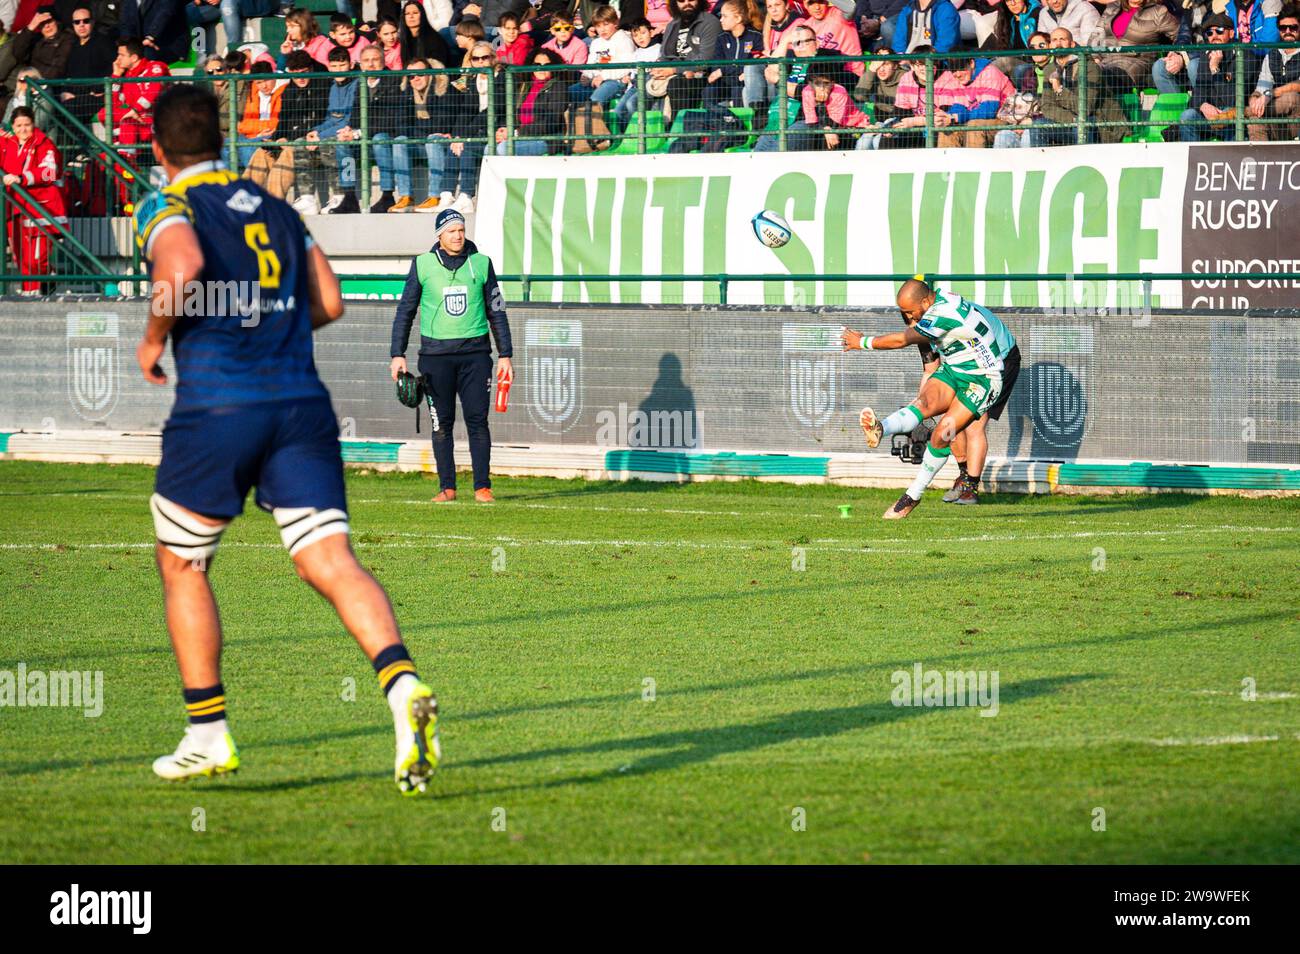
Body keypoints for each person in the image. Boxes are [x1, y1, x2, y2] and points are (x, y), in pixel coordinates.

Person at [132, 84, 440, 794]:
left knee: (183, 563)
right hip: (301, 403)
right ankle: (401, 687)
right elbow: (329, 300)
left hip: (219, 407)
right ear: (225, 142)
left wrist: (152, 341)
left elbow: (179, 269)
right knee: (330, 558)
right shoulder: (274, 208)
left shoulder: (169, 204)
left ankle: (207, 733)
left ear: (158, 149)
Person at [842, 278, 1019, 518]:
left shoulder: (941, 314)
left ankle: (914, 496)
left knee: (944, 433)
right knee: (922, 405)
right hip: (955, 370)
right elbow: (930, 366)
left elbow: (902, 340)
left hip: (984, 379)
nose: (909, 318)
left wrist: (862, 342)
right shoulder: (933, 303)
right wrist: (923, 405)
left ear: (925, 301)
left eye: (910, 311)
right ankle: (881, 428)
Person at [389, 207, 513, 504]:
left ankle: (482, 487)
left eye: (461, 229)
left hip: (476, 356)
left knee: (477, 420)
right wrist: (397, 354)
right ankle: (447, 487)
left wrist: (506, 354)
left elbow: (497, 311)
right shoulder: (422, 264)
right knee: (440, 423)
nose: (458, 236)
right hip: (435, 357)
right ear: (439, 235)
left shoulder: (482, 264)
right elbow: (405, 311)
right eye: (451, 231)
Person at [2, 105, 67, 294]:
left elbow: (50, 172)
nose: (23, 129)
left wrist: (22, 179)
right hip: (13, 208)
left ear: (33, 124)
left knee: (36, 259)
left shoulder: (44, 143)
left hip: (40, 208)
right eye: (19, 125)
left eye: (27, 124)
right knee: (20, 258)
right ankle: (30, 290)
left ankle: (40, 286)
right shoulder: (7, 144)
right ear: (12, 127)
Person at [1178, 13, 1241, 141]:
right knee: (1187, 115)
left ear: (1232, 33)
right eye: (1210, 33)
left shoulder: (1243, 56)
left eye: (1219, 31)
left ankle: (1231, 158)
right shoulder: (1205, 55)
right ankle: (1194, 158)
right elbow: (1197, 95)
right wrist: (1202, 105)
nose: (1214, 36)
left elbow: (1233, 101)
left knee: (1229, 111)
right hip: (1210, 116)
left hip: (1233, 117)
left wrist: (1215, 69)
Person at [494, 46, 568, 154]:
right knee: (489, 148)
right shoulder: (526, 86)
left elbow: (552, 122)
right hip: (521, 136)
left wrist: (516, 132)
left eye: (547, 65)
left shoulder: (558, 87)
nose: (541, 68)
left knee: (504, 148)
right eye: (537, 65)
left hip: (546, 139)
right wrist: (504, 129)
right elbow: (514, 115)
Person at [1247, 5, 1300, 140]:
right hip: (1277, 121)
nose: (1288, 31)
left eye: (1293, 28)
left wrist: (1268, 96)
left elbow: (1297, 86)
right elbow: (1261, 88)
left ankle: (1243, 112)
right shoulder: (1271, 56)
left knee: (1292, 97)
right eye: (1283, 28)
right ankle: (1260, 159)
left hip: (1297, 117)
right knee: (1255, 119)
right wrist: (1255, 100)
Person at [59, 5, 115, 124]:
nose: (81, 25)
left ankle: (76, 143)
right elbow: (67, 73)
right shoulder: (73, 46)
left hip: (96, 96)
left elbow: (112, 68)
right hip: (75, 96)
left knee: (69, 109)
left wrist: (98, 89)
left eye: (86, 21)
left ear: (93, 22)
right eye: (77, 22)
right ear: (73, 25)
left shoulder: (103, 42)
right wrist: (65, 91)